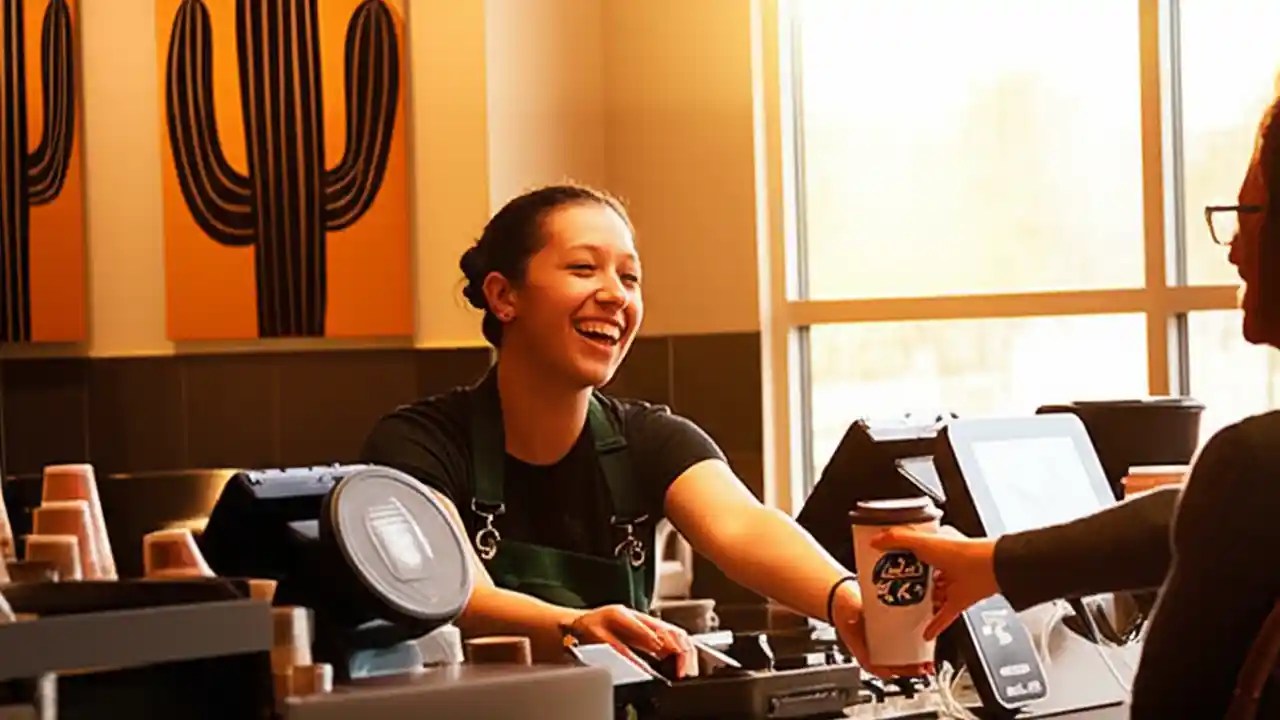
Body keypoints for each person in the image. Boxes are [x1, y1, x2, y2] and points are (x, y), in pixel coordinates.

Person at [360, 184, 923, 679]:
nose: (615, 295)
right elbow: (461, 595)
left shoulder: (651, 439)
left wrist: (846, 599)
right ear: (503, 296)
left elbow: (744, 527)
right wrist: (575, 625)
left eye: (629, 277)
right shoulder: (417, 445)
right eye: (584, 269)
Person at [874, 93, 1280, 718]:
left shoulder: (1254, 466)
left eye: (1247, 213)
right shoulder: (1252, 479)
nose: (1231, 248)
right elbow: (1206, 517)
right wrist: (995, 563)